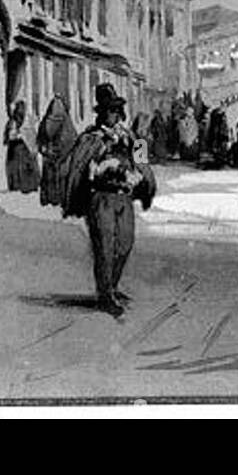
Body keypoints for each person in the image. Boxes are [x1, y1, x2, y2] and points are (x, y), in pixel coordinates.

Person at [60, 84, 156, 318]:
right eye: (109, 110)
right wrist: (103, 167)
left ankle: (111, 286)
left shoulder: (129, 136)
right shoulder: (91, 137)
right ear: (101, 113)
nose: (113, 115)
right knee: (104, 247)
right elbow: (80, 169)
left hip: (124, 197)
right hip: (101, 198)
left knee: (125, 244)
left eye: (116, 110)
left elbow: (143, 162)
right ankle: (105, 294)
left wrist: (144, 180)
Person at [35, 94, 77, 208]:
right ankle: (53, 198)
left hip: (58, 152)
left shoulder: (56, 120)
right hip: (55, 152)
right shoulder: (63, 120)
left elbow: (49, 131)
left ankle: (55, 198)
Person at [4, 99, 40, 194]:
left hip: (19, 147)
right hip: (19, 146)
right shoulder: (16, 121)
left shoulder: (18, 120)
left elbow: (10, 135)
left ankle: (23, 186)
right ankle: (24, 186)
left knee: (22, 167)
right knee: (21, 167)